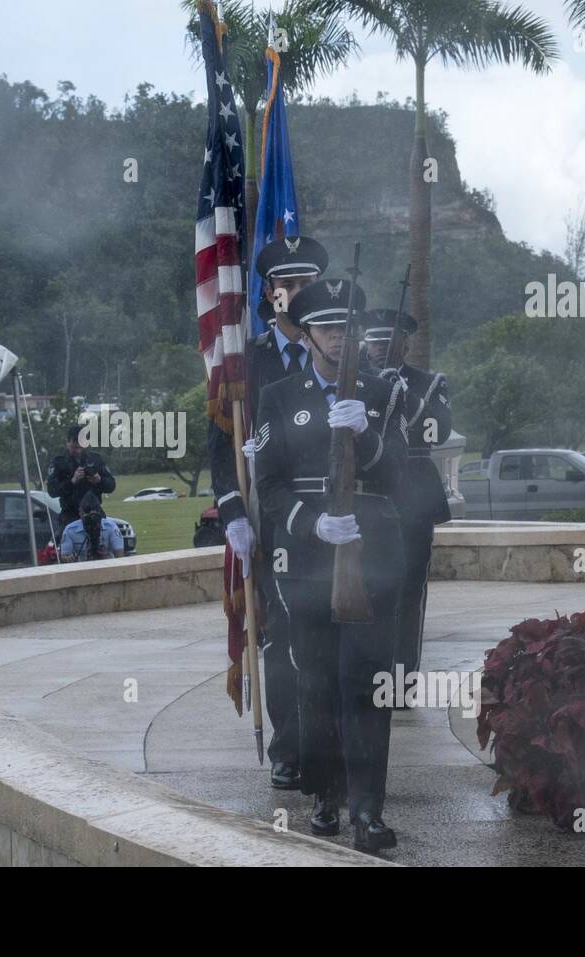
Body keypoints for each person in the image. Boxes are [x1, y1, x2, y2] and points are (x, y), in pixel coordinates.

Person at [253, 278, 408, 851]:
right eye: (328, 328)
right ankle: (325, 795)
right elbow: (267, 487)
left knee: (366, 684)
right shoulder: (279, 396)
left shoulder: (383, 392)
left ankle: (368, 810)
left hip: (372, 557)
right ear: (307, 335)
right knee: (315, 682)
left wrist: (366, 435)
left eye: (349, 327)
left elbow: (400, 474)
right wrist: (310, 522)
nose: (341, 338)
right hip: (308, 561)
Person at [207, 234, 331, 790]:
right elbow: (219, 443)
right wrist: (235, 510)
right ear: (270, 293)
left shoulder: (333, 350)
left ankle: (334, 746)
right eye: (288, 285)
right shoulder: (246, 360)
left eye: (307, 283)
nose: (297, 293)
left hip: (332, 517)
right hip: (267, 514)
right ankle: (290, 747)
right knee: (281, 639)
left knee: (333, 633)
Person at [363, 310, 453, 679]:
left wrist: (403, 396)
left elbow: (437, 432)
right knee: (369, 583)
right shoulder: (356, 380)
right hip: (371, 493)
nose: (380, 349)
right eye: (374, 341)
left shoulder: (429, 383)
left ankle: (403, 673)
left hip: (415, 493)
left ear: (405, 342)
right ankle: (370, 668)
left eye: (388, 341)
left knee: (410, 586)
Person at [46, 426, 116, 529]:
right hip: (70, 514)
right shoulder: (59, 462)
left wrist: (99, 480)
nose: (77, 451)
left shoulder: (95, 459)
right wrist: (72, 481)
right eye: (74, 447)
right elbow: (52, 491)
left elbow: (111, 485)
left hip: (94, 513)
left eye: (80, 447)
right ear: (67, 443)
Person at [58, 492, 124, 562]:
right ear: (80, 513)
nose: (91, 520)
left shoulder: (111, 527)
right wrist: (67, 558)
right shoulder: (70, 530)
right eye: (87, 517)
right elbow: (65, 556)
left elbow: (120, 557)